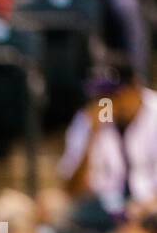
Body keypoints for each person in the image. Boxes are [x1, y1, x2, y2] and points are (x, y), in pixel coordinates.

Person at [59, 64, 157, 219]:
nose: (108, 103)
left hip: (150, 208)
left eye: (114, 95)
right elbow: (72, 190)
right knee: (56, 209)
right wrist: (92, 136)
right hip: (106, 209)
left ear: (135, 88)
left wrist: (147, 206)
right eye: (102, 96)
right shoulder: (88, 119)